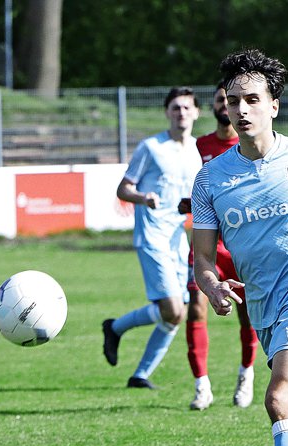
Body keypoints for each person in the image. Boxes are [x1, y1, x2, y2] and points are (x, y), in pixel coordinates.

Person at [193, 48, 288, 446]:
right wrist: (212, 286)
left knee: (280, 397)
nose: (241, 109)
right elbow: (203, 259)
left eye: (252, 99)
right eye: (233, 101)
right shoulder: (211, 180)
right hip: (266, 313)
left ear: (274, 104)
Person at [102, 86, 202, 389]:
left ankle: (140, 375)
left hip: (178, 239)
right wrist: (143, 198)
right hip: (152, 236)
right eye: (175, 108)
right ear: (167, 113)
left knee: (178, 314)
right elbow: (123, 188)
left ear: (196, 113)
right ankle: (115, 328)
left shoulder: (198, 151)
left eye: (186, 107)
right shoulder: (151, 147)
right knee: (173, 309)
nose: (181, 113)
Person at [177, 81, 258, 411]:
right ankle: (202, 386)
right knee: (195, 308)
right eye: (221, 100)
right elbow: (199, 189)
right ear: (214, 107)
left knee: (246, 314)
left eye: (233, 99)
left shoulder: (248, 145)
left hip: (241, 243)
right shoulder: (200, 145)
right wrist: (189, 203)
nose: (227, 105)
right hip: (206, 241)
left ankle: (246, 373)